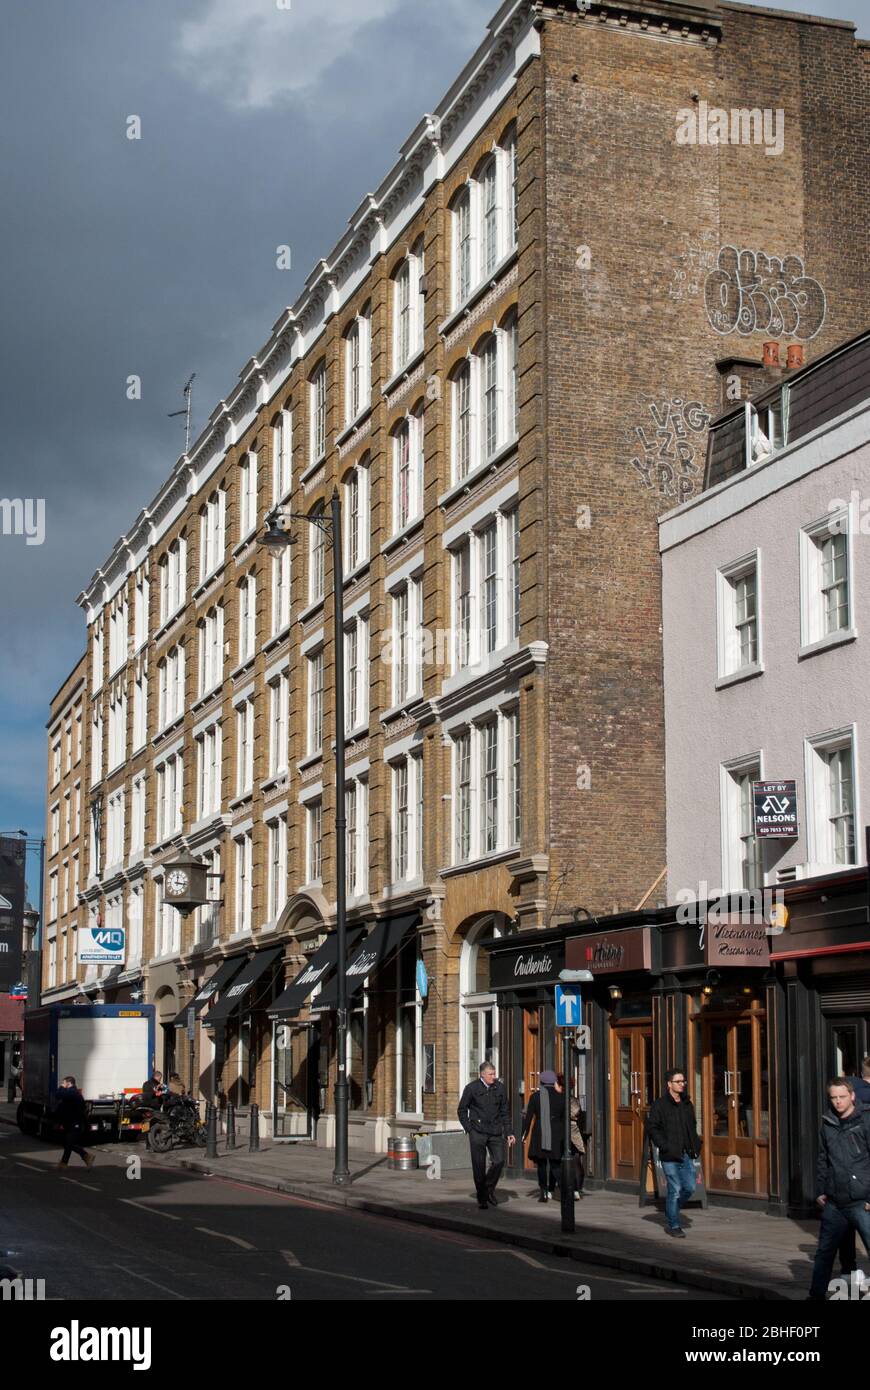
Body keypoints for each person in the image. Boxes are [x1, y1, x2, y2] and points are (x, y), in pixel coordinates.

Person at [808, 1077, 870, 1301]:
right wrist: (821, 1190)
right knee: (824, 1252)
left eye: (842, 1097)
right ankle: (815, 1295)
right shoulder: (828, 1123)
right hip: (835, 1200)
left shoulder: (865, 1120)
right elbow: (823, 1159)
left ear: (852, 1096)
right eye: (833, 1098)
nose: (838, 1102)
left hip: (862, 1200)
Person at [645, 1066, 701, 1238]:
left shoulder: (686, 1104)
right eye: (678, 1081)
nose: (682, 1084)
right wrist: (664, 1145)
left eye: (683, 1081)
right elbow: (653, 1128)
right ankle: (674, 1225)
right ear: (669, 1084)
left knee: (690, 1187)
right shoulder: (660, 1105)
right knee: (674, 1189)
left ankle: (672, 1209)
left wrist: (696, 1145)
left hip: (686, 1153)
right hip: (670, 1154)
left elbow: (692, 1126)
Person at [458, 1061, 515, 1210]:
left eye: (494, 1074)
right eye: (490, 1074)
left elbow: (505, 1112)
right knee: (479, 1165)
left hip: (495, 1132)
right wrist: (469, 1128)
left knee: (499, 1161)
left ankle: (488, 1189)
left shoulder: (500, 1088)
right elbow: (462, 1110)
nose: (493, 1077)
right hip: (477, 1131)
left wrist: (509, 1132)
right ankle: (482, 1197)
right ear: (482, 1074)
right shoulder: (471, 1088)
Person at [523, 1070, 565, 1201]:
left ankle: (544, 1192)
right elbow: (564, 1119)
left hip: (540, 1133)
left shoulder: (535, 1097)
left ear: (541, 1082)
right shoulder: (561, 1097)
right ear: (554, 1082)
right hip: (556, 1133)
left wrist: (524, 1134)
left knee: (541, 1165)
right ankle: (565, 1191)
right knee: (556, 1164)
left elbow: (528, 1117)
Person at [54, 1076, 95, 1169]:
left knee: (69, 1142)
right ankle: (66, 1162)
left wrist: (61, 1087)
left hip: (75, 1122)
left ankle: (85, 1156)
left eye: (64, 1083)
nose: (63, 1085)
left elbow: (57, 1095)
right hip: (71, 1122)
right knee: (67, 1142)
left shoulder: (73, 1092)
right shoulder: (71, 1093)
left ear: (68, 1083)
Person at [556, 1073, 586, 1197]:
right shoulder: (573, 1099)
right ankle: (576, 1189)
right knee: (575, 1160)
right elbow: (577, 1113)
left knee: (570, 1161)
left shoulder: (562, 1099)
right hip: (573, 1131)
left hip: (566, 1131)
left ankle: (573, 1189)